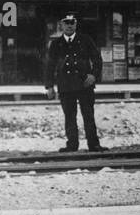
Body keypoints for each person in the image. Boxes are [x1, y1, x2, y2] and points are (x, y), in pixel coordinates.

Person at [43, 13, 105, 152]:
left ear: (76, 25)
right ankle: (72, 145)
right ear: (61, 25)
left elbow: (97, 59)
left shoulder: (85, 40)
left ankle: (93, 145)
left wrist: (93, 75)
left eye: (72, 23)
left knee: (88, 115)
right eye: (66, 23)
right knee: (69, 117)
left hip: (84, 84)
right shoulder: (56, 44)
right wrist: (49, 86)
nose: (69, 26)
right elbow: (50, 65)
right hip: (65, 85)